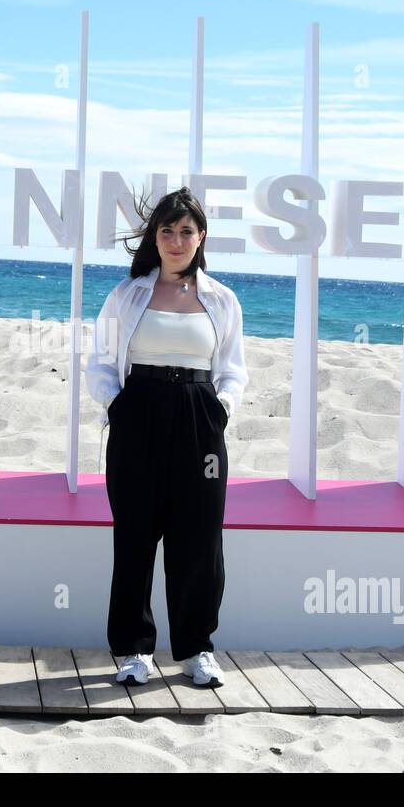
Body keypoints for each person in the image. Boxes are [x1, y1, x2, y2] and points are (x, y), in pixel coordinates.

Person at [84, 186, 248, 689]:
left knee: (199, 538)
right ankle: (134, 651)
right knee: (134, 535)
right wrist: (119, 407)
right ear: (154, 237)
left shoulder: (221, 299)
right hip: (140, 415)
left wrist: (220, 410)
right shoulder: (127, 294)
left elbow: (234, 371)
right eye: (167, 231)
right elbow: (100, 363)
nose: (177, 241)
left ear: (201, 238)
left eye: (186, 231)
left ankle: (196, 649)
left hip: (200, 421)